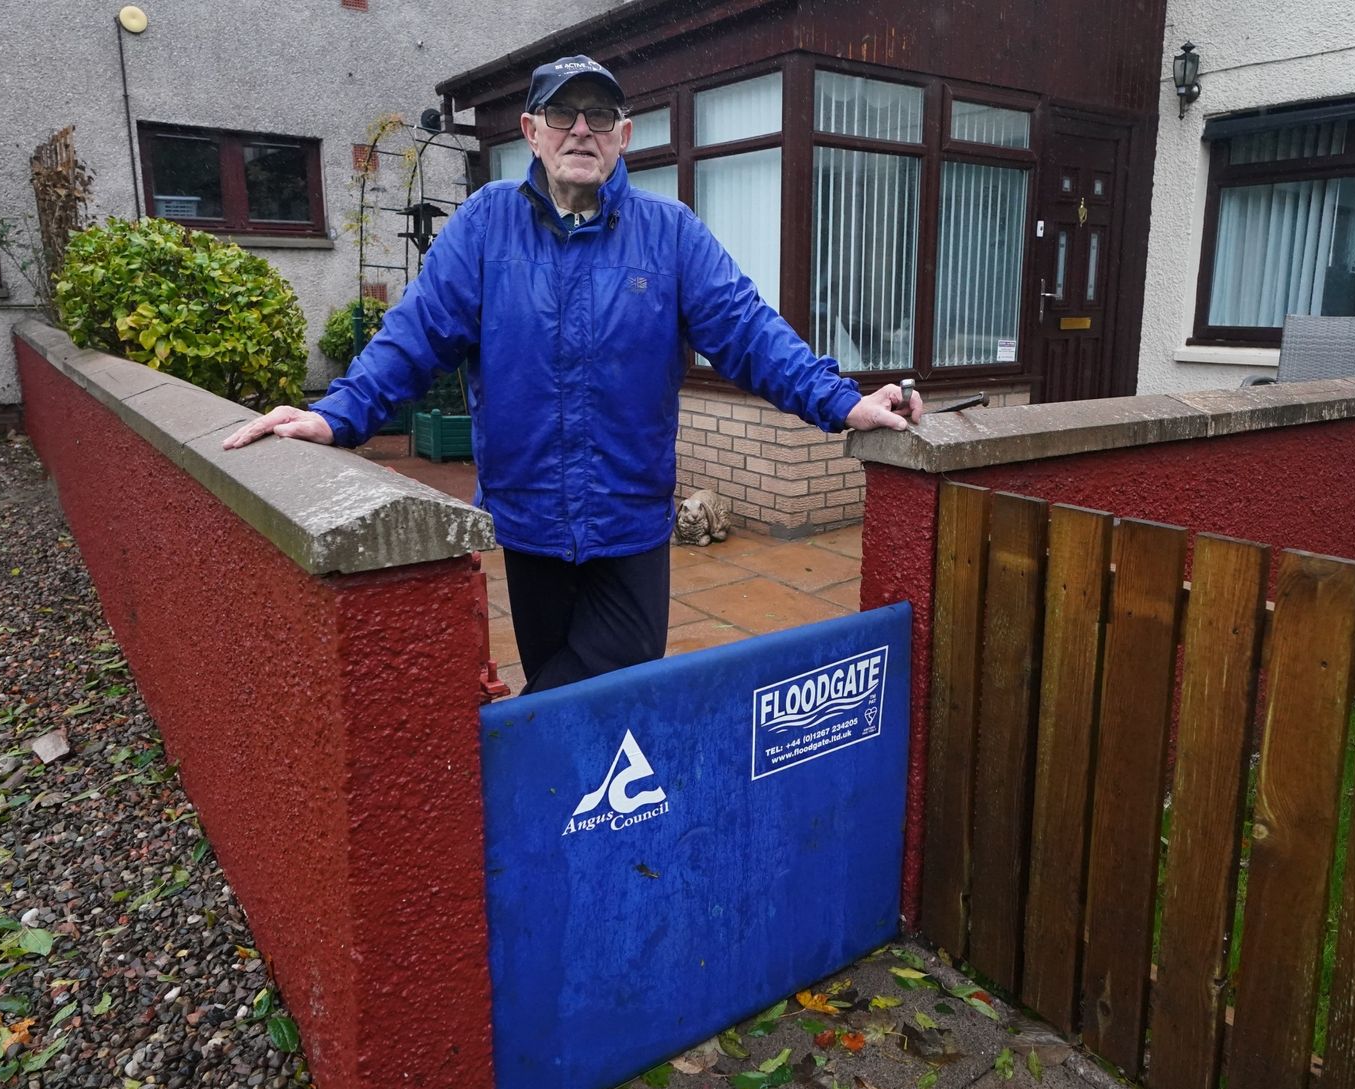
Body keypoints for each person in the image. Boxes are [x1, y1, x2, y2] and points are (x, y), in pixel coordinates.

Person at [223, 54, 921, 692]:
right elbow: (416, 335)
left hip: (630, 523)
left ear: (624, 134)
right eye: (563, 114)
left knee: (597, 692)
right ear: (532, 130)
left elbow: (748, 333)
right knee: (567, 697)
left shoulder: (669, 232)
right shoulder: (485, 227)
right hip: (528, 524)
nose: (580, 130)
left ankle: (510, 760)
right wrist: (335, 414)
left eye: (599, 117)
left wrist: (842, 402)